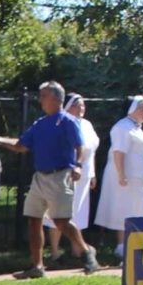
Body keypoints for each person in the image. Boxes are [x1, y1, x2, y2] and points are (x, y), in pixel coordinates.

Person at [0, 81, 100, 278]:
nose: (40, 100)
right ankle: (37, 267)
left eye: (43, 96)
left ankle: (86, 252)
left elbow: (79, 146)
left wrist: (78, 166)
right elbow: (21, 145)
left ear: (56, 98)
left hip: (60, 175)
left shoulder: (67, 121)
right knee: (34, 219)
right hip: (40, 177)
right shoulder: (40, 124)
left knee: (61, 221)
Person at [95, 96, 143, 259]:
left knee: (139, 211)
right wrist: (121, 175)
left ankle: (136, 245)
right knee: (123, 211)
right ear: (132, 109)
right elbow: (119, 152)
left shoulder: (136, 129)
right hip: (127, 179)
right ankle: (122, 246)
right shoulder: (122, 127)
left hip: (139, 180)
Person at [43, 93, 98, 264]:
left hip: (84, 175)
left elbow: (91, 151)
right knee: (60, 212)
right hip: (66, 173)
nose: (81, 108)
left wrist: (92, 174)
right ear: (67, 107)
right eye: (76, 105)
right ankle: (54, 252)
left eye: (82, 105)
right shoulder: (61, 123)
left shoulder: (87, 125)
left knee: (78, 213)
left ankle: (77, 249)